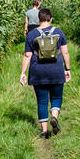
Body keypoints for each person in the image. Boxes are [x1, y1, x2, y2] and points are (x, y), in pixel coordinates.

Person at [20, 7, 70, 138]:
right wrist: (68, 69)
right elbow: (65, 52)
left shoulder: (31, 35)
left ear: (38, 19)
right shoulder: (59, 32)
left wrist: (23, 73)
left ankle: (44, 131)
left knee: (42, 101)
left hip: (38, 72)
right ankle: (54, 117)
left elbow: (27, 55)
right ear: (50, 19)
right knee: (56, 98)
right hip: (56, 70)